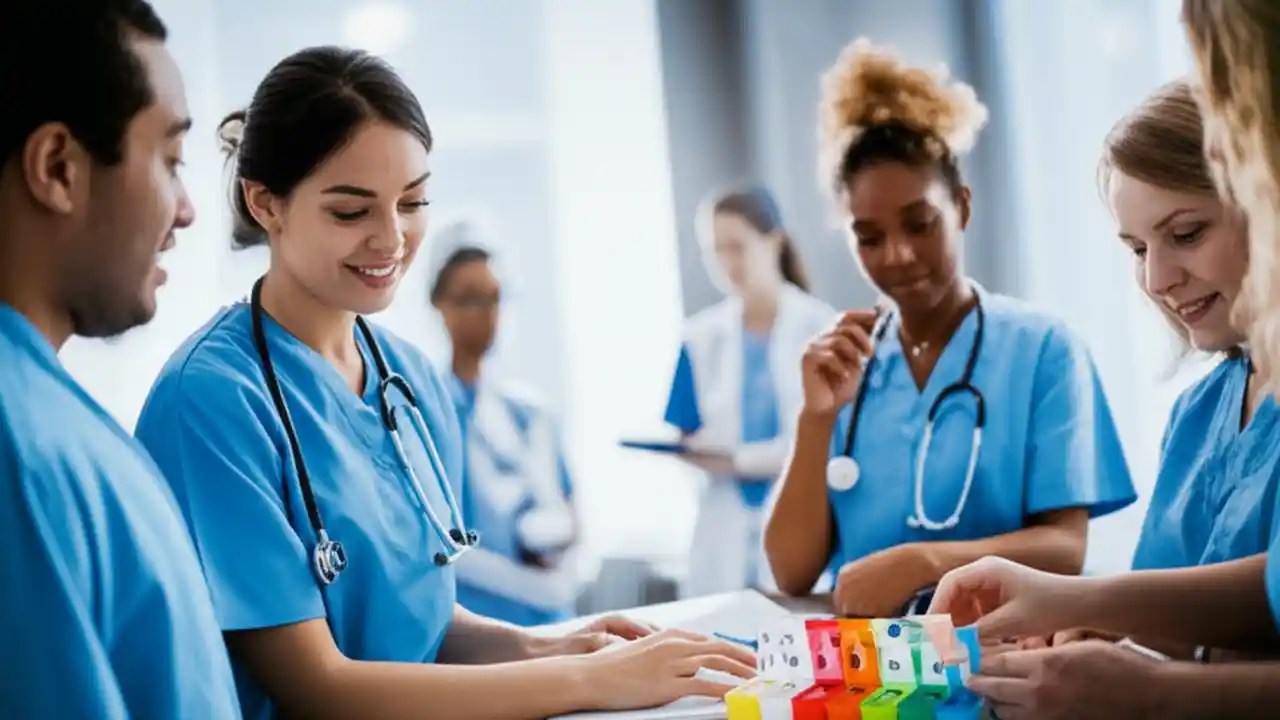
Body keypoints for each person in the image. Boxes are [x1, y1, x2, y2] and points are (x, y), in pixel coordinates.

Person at [134, 46, 753, 720]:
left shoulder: (410, 379)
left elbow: (417, 623)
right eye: (352, 212)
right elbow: (320, 685)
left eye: (414, 201)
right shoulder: (213, 400)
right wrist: (595, 683)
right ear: (265, 203)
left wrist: (554, 649)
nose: (392, 239)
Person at [923, 7, 1280, 717]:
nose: (1157, 280)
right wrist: (1105, 623)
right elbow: (1212, 607)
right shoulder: (1202, 411)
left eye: (1185, 233)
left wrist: (1149, 687)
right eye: (1138, 249)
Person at [763, 38, 1136, 618]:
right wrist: (816, 419)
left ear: (961, 207)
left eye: (920, 224)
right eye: (869, 237)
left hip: (997, 650)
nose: (898, 255)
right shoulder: (848, 364)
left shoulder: (1042, 348)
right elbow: (792, 572)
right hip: (870, 669)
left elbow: (1065, 547)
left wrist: (926, 562)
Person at [0, 2, 240, 717]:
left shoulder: (51, 421)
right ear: (59, 169)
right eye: (169, 160)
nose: (189, 209)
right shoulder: (22, 454)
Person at [663, 184, 836, 596]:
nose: (727, 262)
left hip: (804, 526)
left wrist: (737, 459)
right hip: (722, 532)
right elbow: (685, 436)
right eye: (715, 250)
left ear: (773, 241)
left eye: (737, 247)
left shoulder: (824, 328)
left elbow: (832, 439)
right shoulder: (700, 338)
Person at [427, 218, 581, 626]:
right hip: (476, 626)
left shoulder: (531, 413)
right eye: (472, 299)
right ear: (439, 303)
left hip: (552, 618)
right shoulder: (424, 412)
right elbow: (429, 540)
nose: (488, 315)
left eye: (496, 298)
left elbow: (569, 512)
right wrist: (524, 583)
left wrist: (556, 545)